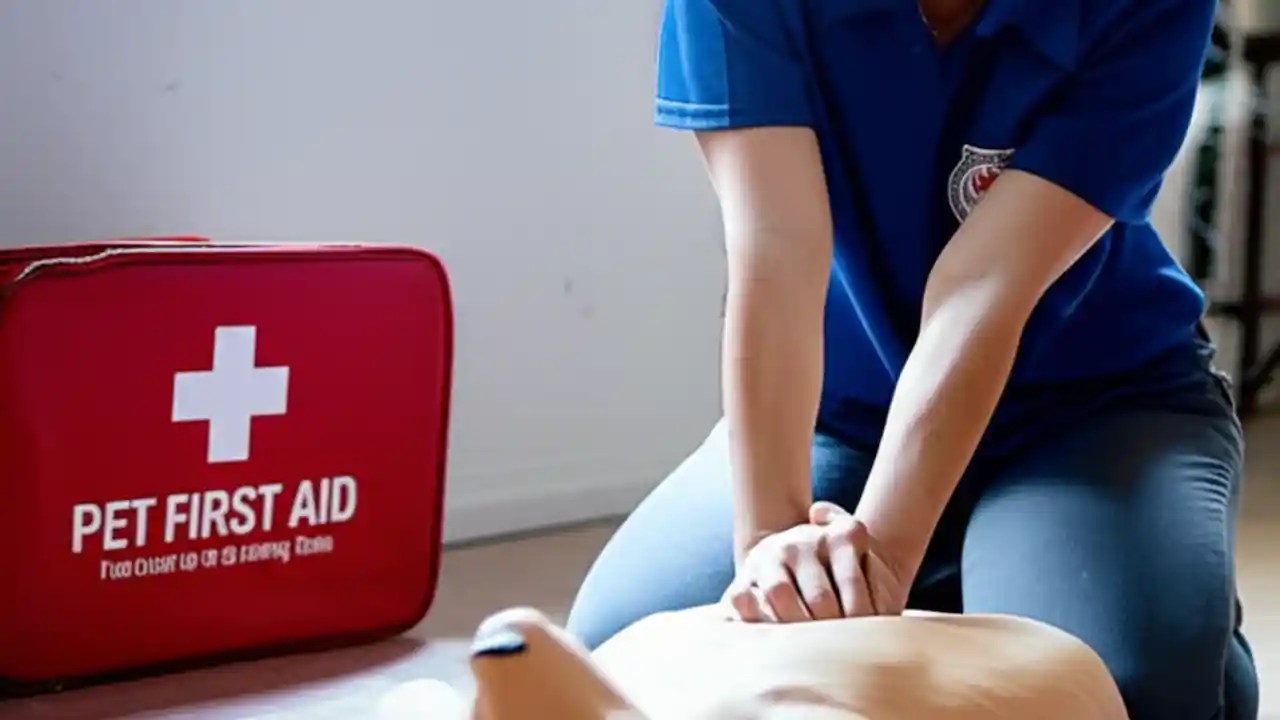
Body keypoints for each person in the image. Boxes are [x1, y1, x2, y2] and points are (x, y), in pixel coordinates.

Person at [565, 0, 1259, 718]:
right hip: (850, 414)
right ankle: (997, 579)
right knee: (614, 662)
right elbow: (776, 253)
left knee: (1113, 688)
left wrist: (884, 562)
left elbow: (985, 286)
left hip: (1096, 406)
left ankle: (1173, 626)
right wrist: (773, 550)